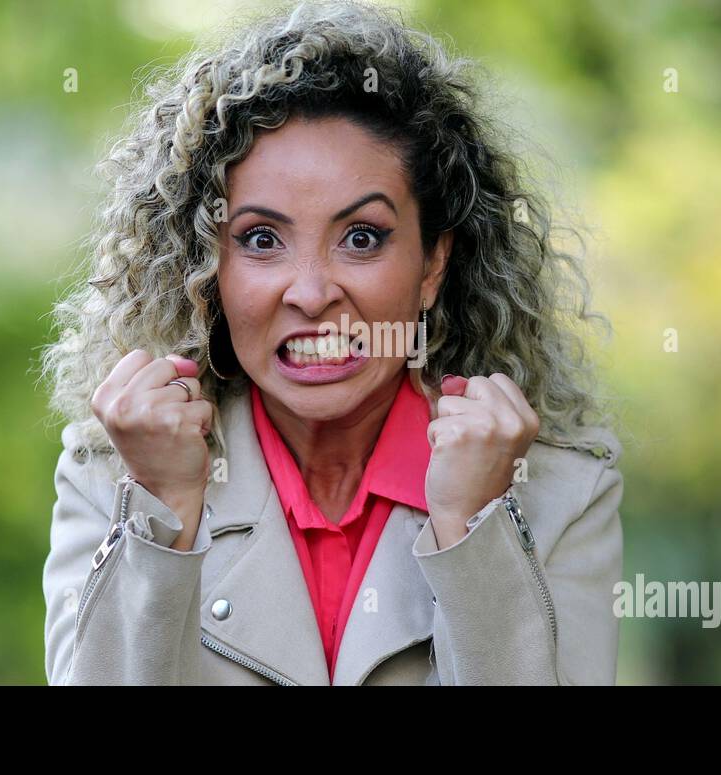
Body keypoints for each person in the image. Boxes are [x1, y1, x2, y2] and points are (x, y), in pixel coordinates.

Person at [41, 0, 622, 685]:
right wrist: (163, 511)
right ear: (207, 272)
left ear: (434, 264)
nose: (312, 293)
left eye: (362, 237)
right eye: (261, 239)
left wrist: (473, 529)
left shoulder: (558, 489)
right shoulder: (112, 477)